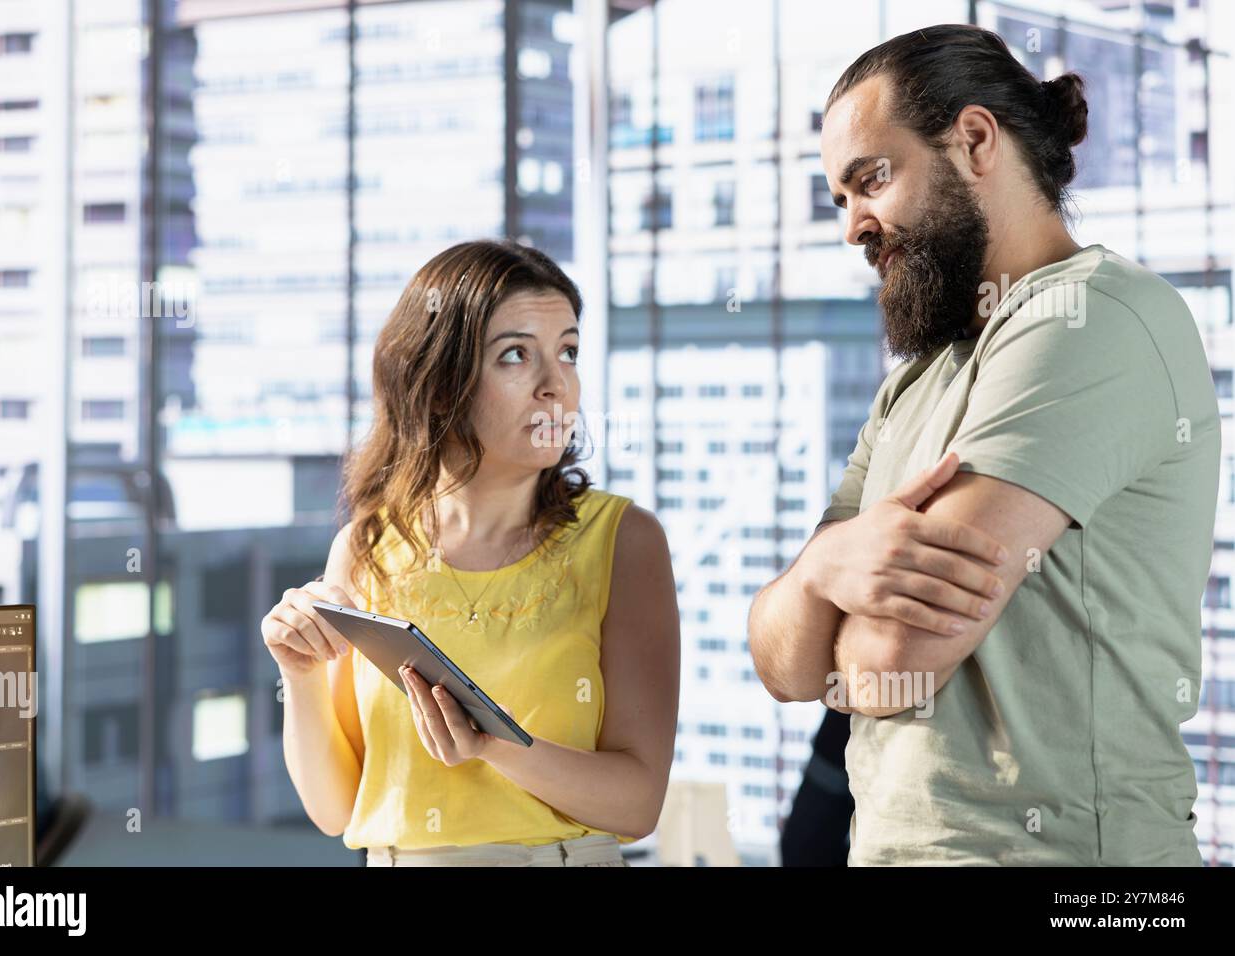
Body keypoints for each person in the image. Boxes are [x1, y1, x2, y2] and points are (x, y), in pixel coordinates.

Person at [749, 24, 1219, 865]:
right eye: (839, 199)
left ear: (973, 141)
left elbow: (892, 655)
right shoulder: (917, 380)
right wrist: (823, 573)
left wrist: (826, 606)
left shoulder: (1091, 319)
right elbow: (782, 668)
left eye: (871, 181)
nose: (853, 226)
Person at [264, 238, 680, 866]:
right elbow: (338, 809)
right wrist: (298, 676)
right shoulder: (364, 549)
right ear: (437, 386)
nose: (556, 386)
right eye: (516, 355)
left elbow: (637, 804)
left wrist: (492, 744)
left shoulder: (623, 540)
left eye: (568, 352)